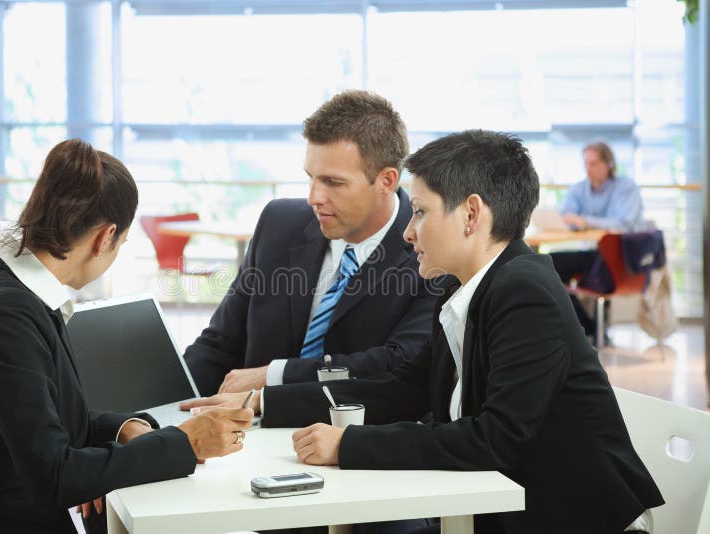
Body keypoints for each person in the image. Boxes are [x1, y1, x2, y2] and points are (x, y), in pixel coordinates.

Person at [184, 130, 664, 534]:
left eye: (419, 212)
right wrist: (264, 401)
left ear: (471, 214)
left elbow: (496, 440)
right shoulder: (462, 286)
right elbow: (404, 388)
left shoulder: (525, 291)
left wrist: (349, 445)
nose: (408, 232)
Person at [0, 139, 253, 534]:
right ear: (105, 237)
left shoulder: (5, 284)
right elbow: (54, 474)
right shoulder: (7, 314)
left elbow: (49, 416)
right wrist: (185, 443)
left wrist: (127, 429)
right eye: (121, 244)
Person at [184, 90, 439, 396]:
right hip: (245, 433)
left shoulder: (430, 250)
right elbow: (220, 344)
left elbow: (398, 363)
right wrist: (159, 413)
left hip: (349, 433)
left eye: (334, 182)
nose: (314, 198)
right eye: (311, 178)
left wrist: (276, 376)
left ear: (386, 180)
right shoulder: (279, 223)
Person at [551, 141, 645, 342]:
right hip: (593, 255)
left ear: (608, 164)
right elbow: (566, 215)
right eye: (586, 163)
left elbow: (623, 223)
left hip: (621, 259)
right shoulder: (579, 189)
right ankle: (588, 327)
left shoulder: (626, 188)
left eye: (593, 163)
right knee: (549, 264)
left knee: (588, 263)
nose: (588, 169)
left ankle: (591, 330)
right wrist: (576, 221)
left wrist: (585, 221)